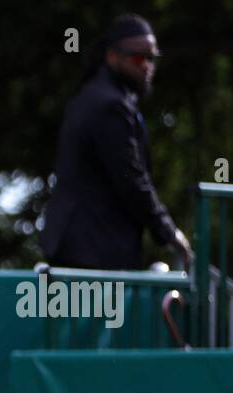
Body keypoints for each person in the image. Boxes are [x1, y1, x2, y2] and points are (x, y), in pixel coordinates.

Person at [40, 13, 191, 270]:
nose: (146, 65)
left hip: (82, 247)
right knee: (99, 311)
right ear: (112, 56)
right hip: (93, 251)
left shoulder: (93, 95)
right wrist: (169, 232)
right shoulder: (109, 105)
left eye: (152, 58)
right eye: (138, 57)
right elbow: (131, 179)